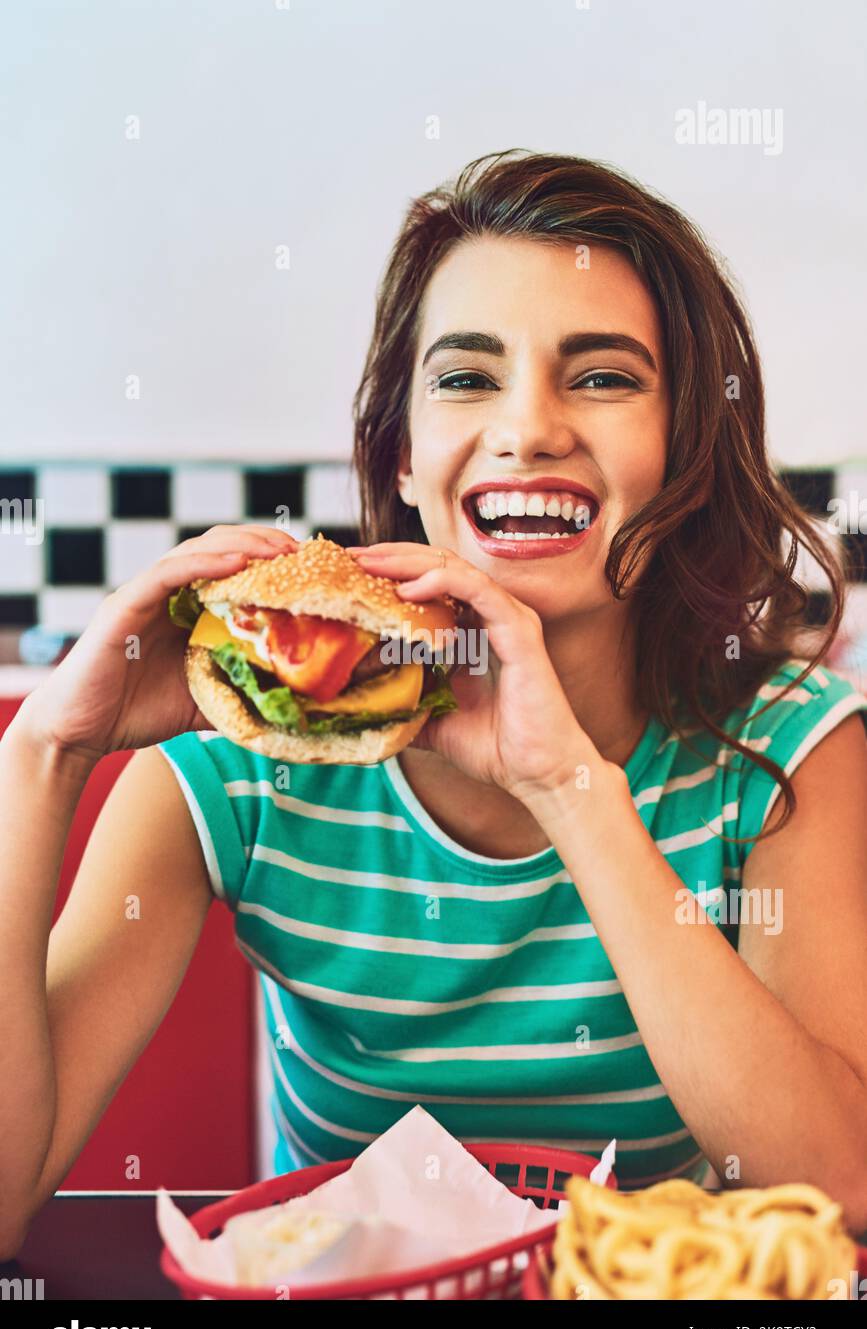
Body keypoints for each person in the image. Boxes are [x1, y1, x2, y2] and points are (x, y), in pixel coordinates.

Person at [3, 150, 867, 1261]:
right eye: (467, 377)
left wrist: (568, 789)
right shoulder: (235, 763)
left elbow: (836, 1189)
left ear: (683, 449)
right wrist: (44, 753)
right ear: (404, 454)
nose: (529, 429)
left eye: (602, 377)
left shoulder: (786, 745)